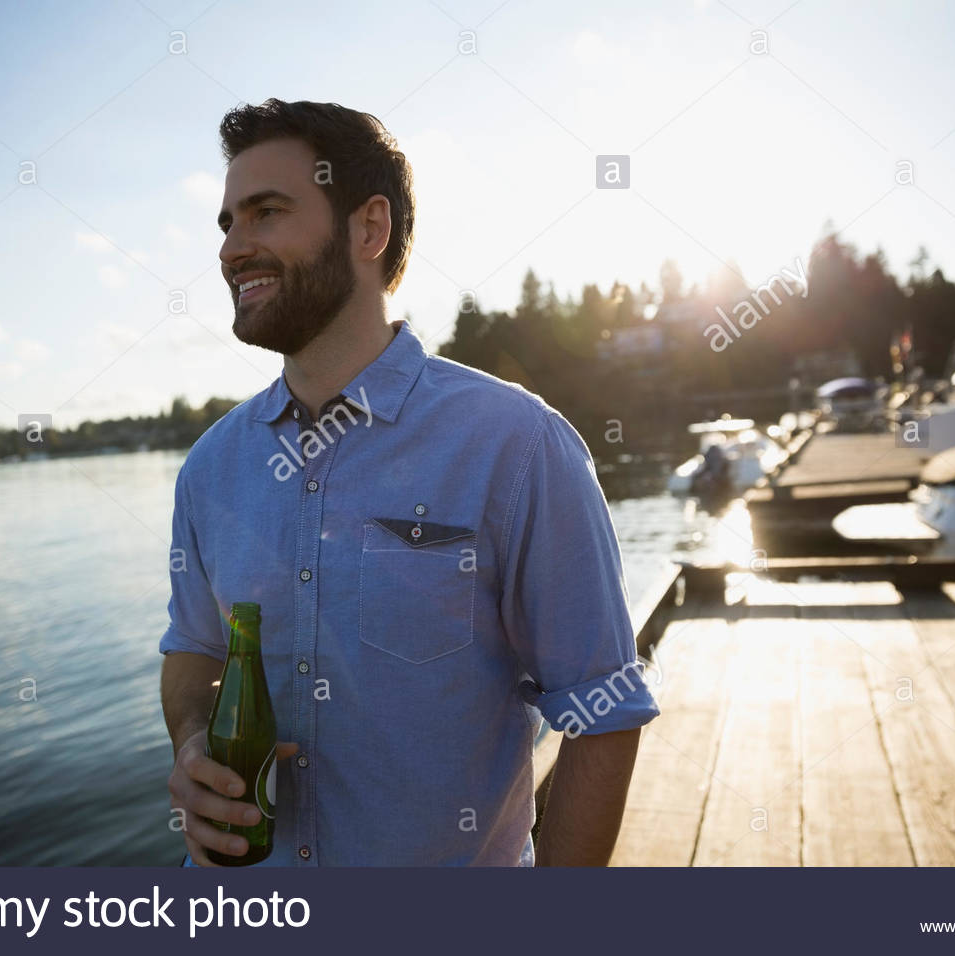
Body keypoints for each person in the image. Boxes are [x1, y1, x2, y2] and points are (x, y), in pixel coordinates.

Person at [160, 99, 659, 867]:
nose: (232, 247)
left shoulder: (516, 445)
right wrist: (195, 740)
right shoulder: (209, 470)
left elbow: (603, 711)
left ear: (368, 229)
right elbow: (194, 650)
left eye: (265, 213)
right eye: (226, 223)